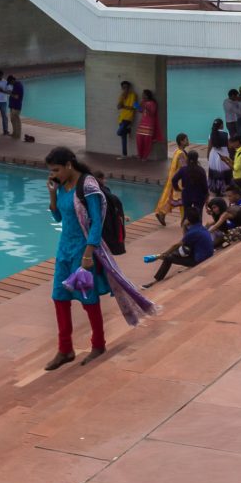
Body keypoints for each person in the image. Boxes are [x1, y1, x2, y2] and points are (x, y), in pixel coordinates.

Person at [41, 147, 156, 370]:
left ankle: (98, 344)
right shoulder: (62, 186)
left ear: (68, 165)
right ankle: (65, 349)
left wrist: (88, 254)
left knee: (88, 299)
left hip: (83, 251)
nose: (53, 174)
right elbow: (58, 216)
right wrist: (52, 194)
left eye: (56, 170)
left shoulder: (88, 186)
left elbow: (97, 221)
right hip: (64, 250)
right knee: (59, 297)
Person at [148, 216, 215, 284]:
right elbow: (185, 239)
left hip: (198, 260)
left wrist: (163, 254)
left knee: (168, 258)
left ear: (188, 221)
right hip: (208, 254)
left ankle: (156, 280)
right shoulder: (200, 227)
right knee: (181, 249)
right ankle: (169, 256)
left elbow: (177, 245)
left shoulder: (192, 232)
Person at [133, 89, 160, 161]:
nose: (142, 96)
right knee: (139, 139)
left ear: (147, 95)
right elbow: (140, 111)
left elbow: (152, 114)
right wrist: (137, 106)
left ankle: (145, 157)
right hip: (142, 123)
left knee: (147, 141)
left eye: (144, 94)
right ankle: (139, 155)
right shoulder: (143, 102)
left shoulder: (152, 103)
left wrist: (146, 108)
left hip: (149, 124)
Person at [114, 80, 137, 157]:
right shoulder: (122, 96)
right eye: (123, 87)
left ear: (129, 87)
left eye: (126, 87)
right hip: (121, 118)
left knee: (119, 132)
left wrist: (124, 106)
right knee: (123, 137)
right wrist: (123, 97)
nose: (125, 89)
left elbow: (133, 107)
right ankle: (124, 154)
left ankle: (128, 129)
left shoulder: (133, 95)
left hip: (128, 118)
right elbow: (118, 107)